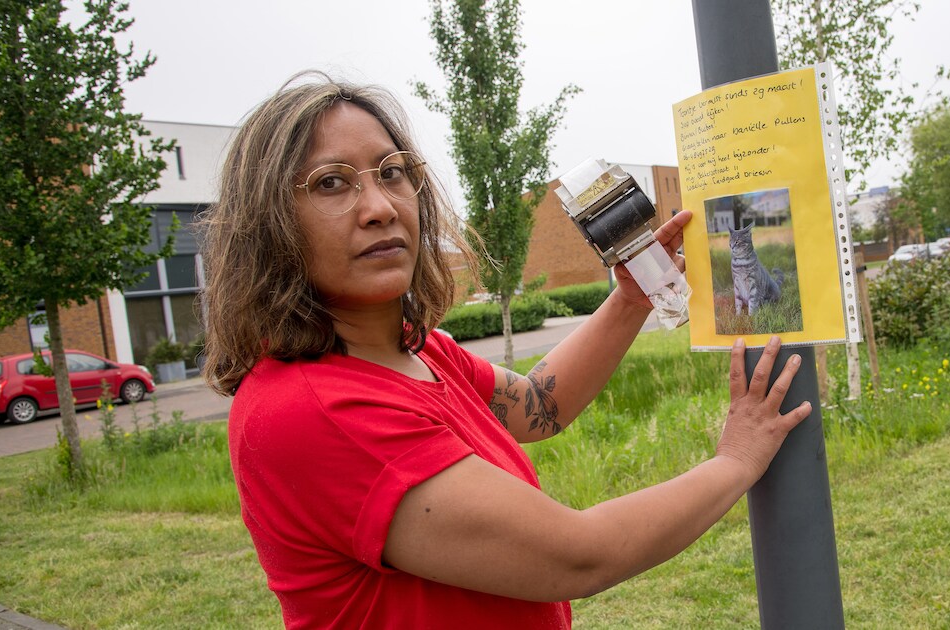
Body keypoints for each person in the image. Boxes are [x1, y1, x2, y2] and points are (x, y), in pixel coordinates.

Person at [199, 73, 811, 629]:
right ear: (269, 221)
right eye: (331, 183)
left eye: (391, 172)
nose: (380, 208)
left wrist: (629, 299)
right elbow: (577, 556)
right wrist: (736, 461)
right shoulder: (315, 409)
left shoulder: (418, 351)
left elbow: (535, 405)